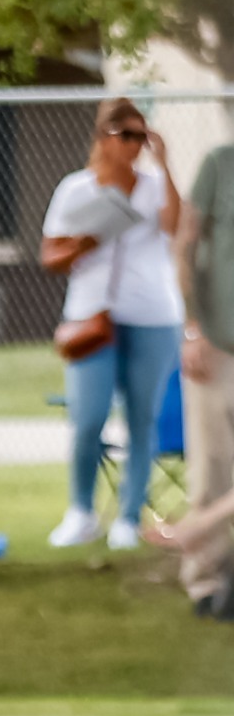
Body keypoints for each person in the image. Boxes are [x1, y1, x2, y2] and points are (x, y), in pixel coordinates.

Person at [40, 97, 183, 551]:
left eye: (142, 136)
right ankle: (80, 511)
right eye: (128, 136)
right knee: (88, 418)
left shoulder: (155, 184)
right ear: (104, 137)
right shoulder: (76, 189)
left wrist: (167, 162)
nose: (136, 145)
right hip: (92, 316)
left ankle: (128, 515)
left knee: (143, 418)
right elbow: (51, 256)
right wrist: (86, 241)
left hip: (153, 314)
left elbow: (176, 226)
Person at [175, 140, 234, 614]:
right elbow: (185, 242)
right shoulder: (219, 164)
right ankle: (206, 584)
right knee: (212, 469)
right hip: (216, 348)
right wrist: (193, 328)